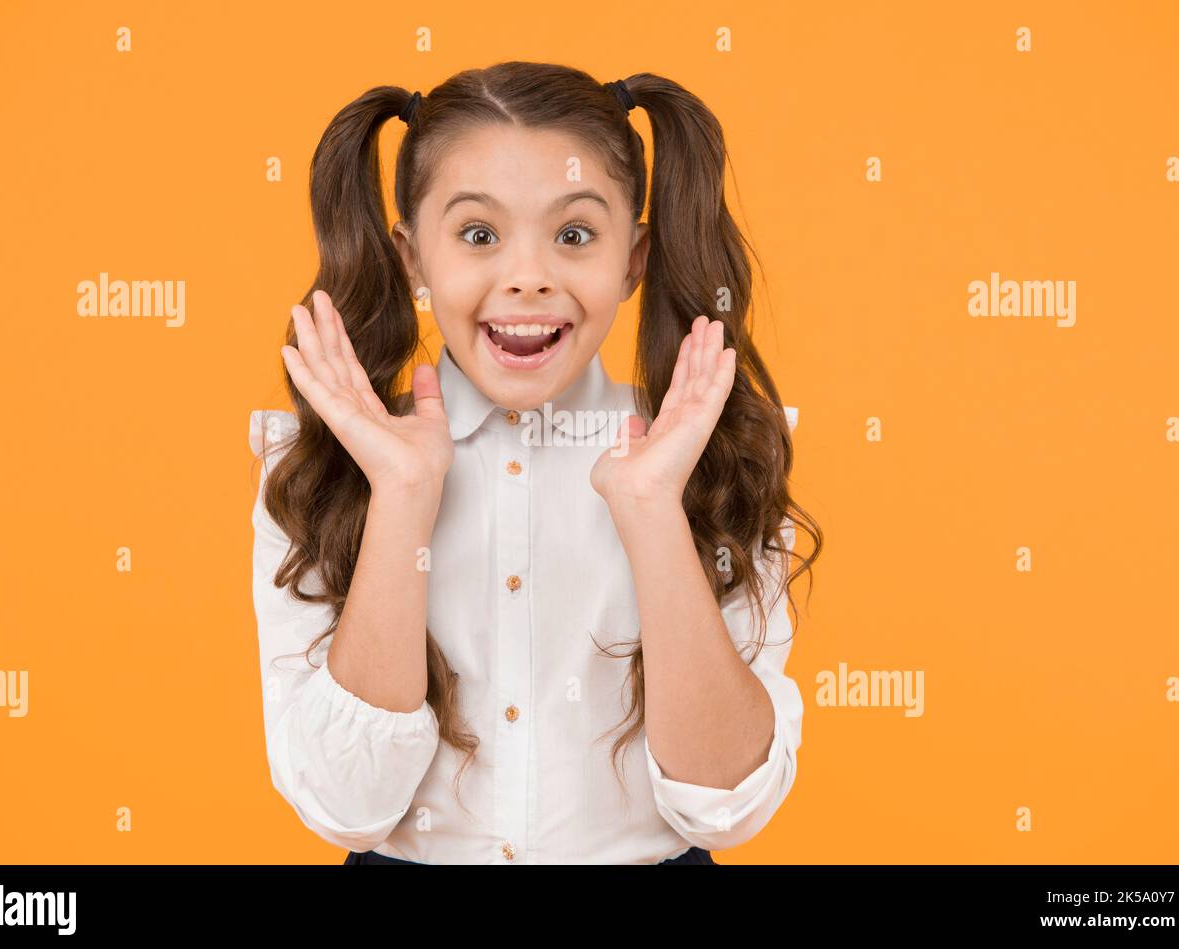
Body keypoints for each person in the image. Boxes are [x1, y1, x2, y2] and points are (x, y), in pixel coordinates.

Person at [249, 61, 823, 864]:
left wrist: (653, 508)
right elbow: (348, 810)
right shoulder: (323, 469)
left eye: (575, 235)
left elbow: (726, 806)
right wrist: (403, 495)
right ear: (412, 257)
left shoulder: (711, 457)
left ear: (633, 260)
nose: (527, 277)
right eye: (478, 235)